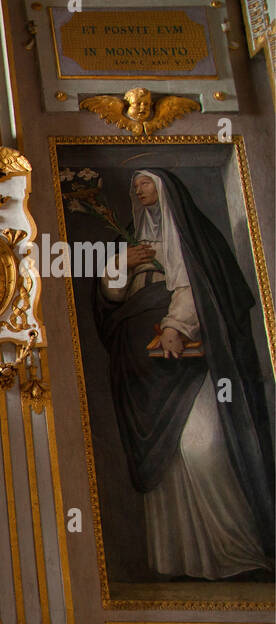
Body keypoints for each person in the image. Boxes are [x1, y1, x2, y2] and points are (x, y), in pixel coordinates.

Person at [96, 169, 273, 579]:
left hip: (187, 357)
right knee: (167, 457)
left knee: (203, 444)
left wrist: (177, 326)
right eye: (135, 184)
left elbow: (201, 287)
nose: (138, 190)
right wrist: (122, 264)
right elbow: (109, 298)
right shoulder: (130, 239)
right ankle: (180, 562)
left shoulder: (195, 235)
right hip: (139, 362)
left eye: (146, 183)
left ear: (166, 188)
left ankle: (240, 552)